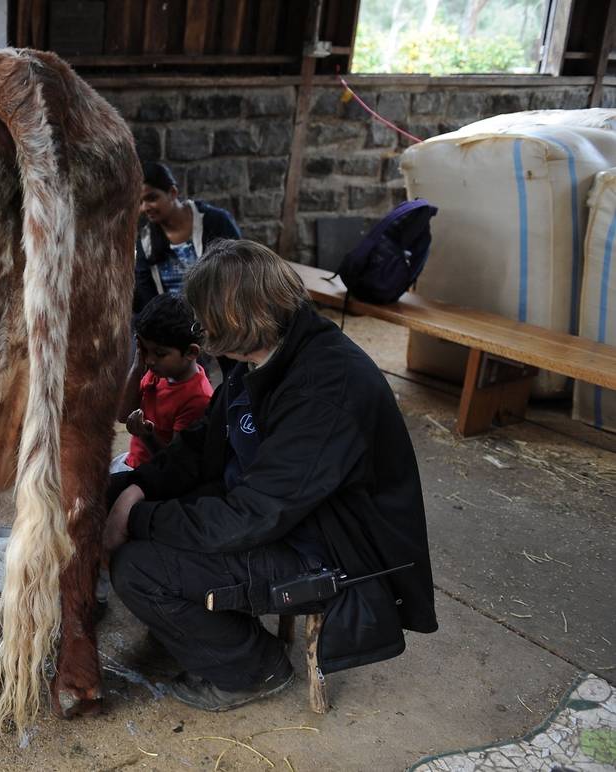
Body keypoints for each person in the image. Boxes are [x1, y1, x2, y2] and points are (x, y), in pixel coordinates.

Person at [103, 239, 437, 712]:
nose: (198, 329)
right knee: (112, 494)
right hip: (278, 514)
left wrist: (137, 519)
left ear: (240, 318)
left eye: (207, 319)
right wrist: (132, 489)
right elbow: (200, 446)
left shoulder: (326, 388)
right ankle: (205, 631)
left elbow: (251, 517)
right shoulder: (260, 357)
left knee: (138, 568)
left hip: (329, 551)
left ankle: (253, 668)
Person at [112, 293, 213, 474]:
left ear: (191, 352)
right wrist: (136, 367)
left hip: (153, 477)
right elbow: (123, 415)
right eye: (144, 350)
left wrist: (146, 437)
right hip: (133, 461)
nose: (149, 360)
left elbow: (175, 464)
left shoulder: (197, 398)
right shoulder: (159, 372)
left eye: (159, 353)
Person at [133, 161, 241, 315]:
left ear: (173, 192)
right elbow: (147, 298)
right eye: (140, 202)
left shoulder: (216, 222)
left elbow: (239, 271)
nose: (145, 208)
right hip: (173, 324)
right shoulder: (145, 243)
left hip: (220, 315)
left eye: (152, 198)